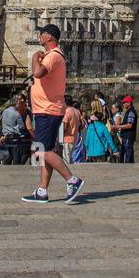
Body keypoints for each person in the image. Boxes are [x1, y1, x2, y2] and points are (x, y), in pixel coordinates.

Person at [20, 24, 83, 203]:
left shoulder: (54, 56)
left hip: (48, 111)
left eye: (42, 33)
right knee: (44, 150)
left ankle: (72, 180)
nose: (39, 36)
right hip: (46, 110)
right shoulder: (52, 56)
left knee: (43, 150)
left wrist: (34, 58)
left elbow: (38, 73)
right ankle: (42, 190)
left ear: (48, 37)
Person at [0, 94, 29, 165]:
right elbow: (22, 127)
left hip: (5, 137)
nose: (19, 105)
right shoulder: (17, 114)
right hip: (14, 138)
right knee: (16, 159)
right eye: (18, 104)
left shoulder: (4, 111)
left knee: (7, 158)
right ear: (15, 104)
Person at [113, 94, 137, 164]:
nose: (123, 104)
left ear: (129, 103)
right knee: (128, 153)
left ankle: (127, 168)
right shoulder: (128, 111)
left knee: (127, 154)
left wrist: (118, 126)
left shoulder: (131, 112)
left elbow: (129, 125)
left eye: (124, 103)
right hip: (126, 136)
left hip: (128, 136)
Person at [61, 95, 84, 164]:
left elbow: (64, 126)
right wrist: (77, 130)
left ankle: (68, 174)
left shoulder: (67, 112)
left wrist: (59, 135)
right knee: (70, 158)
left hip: (67, 138)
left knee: (66, 160)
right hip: (74, 138)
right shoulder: (77, 111)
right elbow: (82, 124)